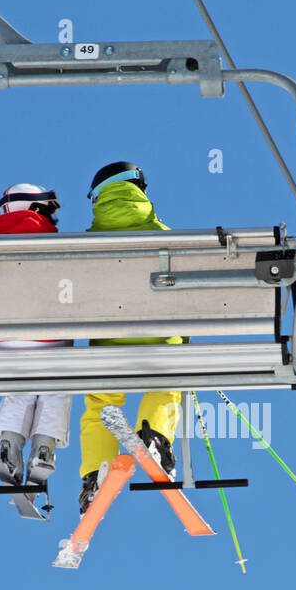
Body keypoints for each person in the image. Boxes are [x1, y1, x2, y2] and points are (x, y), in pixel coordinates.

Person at [77, 162, 182, 515]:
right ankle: (154, 437)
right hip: (159, 338)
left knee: (100, 403)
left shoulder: (83, 246)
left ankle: (96, 470)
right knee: (167, 383)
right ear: (139, 188)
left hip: (109, 344)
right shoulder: (167, 235)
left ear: (97, 198)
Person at [0, 183, 71, 486]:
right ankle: (44, 447)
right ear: (36, 207)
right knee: (57, 383)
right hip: (48, 339)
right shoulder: (49, 239)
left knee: (19, 388)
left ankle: (9, 446)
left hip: (2, 342)